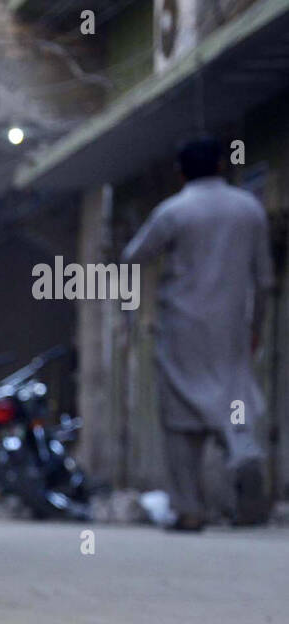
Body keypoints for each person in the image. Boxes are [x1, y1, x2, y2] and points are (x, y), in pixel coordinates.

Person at [122, 136, 275, 531]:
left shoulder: (174, 211)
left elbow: (133, 256)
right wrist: (255, 327)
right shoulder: (249, 210)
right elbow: (264, 280)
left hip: (182, 327)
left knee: (180, 418)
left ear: (180, 172)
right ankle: (244, 455)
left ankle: (189, 509)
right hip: (232, 327)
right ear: (222, 166)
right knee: (233, 400)